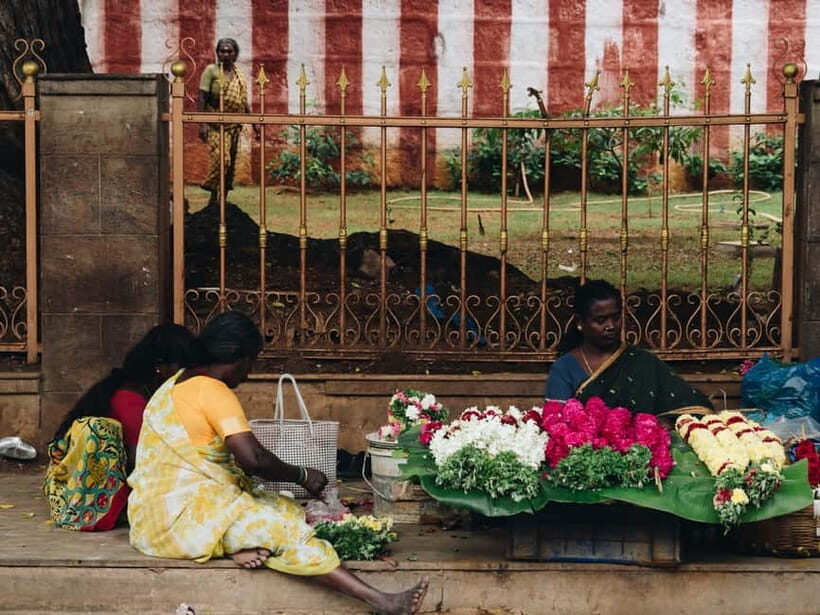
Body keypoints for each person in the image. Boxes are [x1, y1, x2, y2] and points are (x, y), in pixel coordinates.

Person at [127, 311, 428, 615]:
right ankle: (382, 601)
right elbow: (252, 459)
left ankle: (236, 546)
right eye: (252, 360)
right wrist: (302, 475)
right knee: (283, 526)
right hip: (179, 524)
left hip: (149, 517)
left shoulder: (176, 382)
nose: (249, 372)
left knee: (283, 506)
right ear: (237, 356)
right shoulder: (213, 390)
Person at [44, 324, 195, 531]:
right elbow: (141, 460)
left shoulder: (149, 392)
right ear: (161, 367)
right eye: (185, 369)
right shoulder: (129, 399)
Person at [545, 279, 713, 415]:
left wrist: (664, 424)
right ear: (580, 322)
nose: (611, 326)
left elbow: (694, 405)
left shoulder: (642, 361)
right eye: (600, 320)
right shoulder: (564, 368)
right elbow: (557, 423)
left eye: (616, 318)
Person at [198, 38, 258, 203]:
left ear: (235, 54)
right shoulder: (211, 71)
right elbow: (202, 97)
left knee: (230, 165)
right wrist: (202, 123)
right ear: (217, 53)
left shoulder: (238, 73)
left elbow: (242, 100)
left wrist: (254, 124)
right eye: (222, 51)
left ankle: (222, 200)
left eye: (229, 51)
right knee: (221, 160)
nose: (225, 54)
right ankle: (212, 193)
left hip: (234, 125)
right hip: (216, 123)